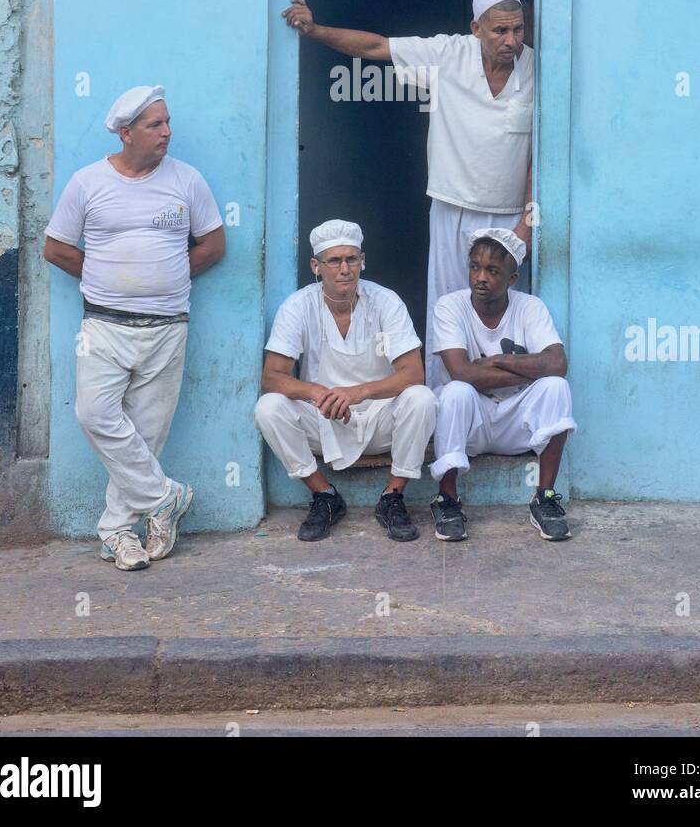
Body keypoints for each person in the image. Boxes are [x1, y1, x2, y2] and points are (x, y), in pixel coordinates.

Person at [282, 0, 533, 386]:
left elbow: (543, 153)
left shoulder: (538, 69)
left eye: (517, 30)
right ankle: (444, 404)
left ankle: (505, 411)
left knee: (508, 314)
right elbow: (375, 47)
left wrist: (528, 222)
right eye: (500, 31)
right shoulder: (448, 53)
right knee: (448, 306)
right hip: (452, 206)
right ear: (475, 28)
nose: (511, 41)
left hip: (509, 217)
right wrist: (316, 31)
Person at [44, 86, 225, 571]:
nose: (167, 133)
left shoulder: (187, 181)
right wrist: (108, 277)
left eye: (167, 123)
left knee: (146, 437)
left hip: (168, 326)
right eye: (155, 125)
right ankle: (164, 496)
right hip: (103, 325)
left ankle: (117, 532)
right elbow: (56, 247)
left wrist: (164, 279)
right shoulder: (87, 183)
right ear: (126, 133)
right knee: (94, 414)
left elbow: (212, 244)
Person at [255, 219, 437, 542]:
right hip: (324, 420)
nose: (344, 269)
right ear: (316, 265)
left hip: (381, 422)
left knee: (422, 398)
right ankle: (324, 496)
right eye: (334, 260)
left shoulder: (386, 302)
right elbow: (272, 376)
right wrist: (317, 392)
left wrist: (359, 392)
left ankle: (392, 496)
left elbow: (413, 372)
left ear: (362, 261)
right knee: (269, 408)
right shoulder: (298, 307)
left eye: (352, 259)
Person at [429, 227, 576, 543]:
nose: (480, 277)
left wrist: (495, 361)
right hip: (473, 423)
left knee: (555, 386)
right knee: (455, 392)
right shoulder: (449, 306)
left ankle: (545, 498)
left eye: (493, 271)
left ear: (511, 279)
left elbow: (558, 364)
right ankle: (447, 500)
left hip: (517, 423)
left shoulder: (530, 307)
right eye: (475, 267)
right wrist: (529, 368)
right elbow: (462, 373)